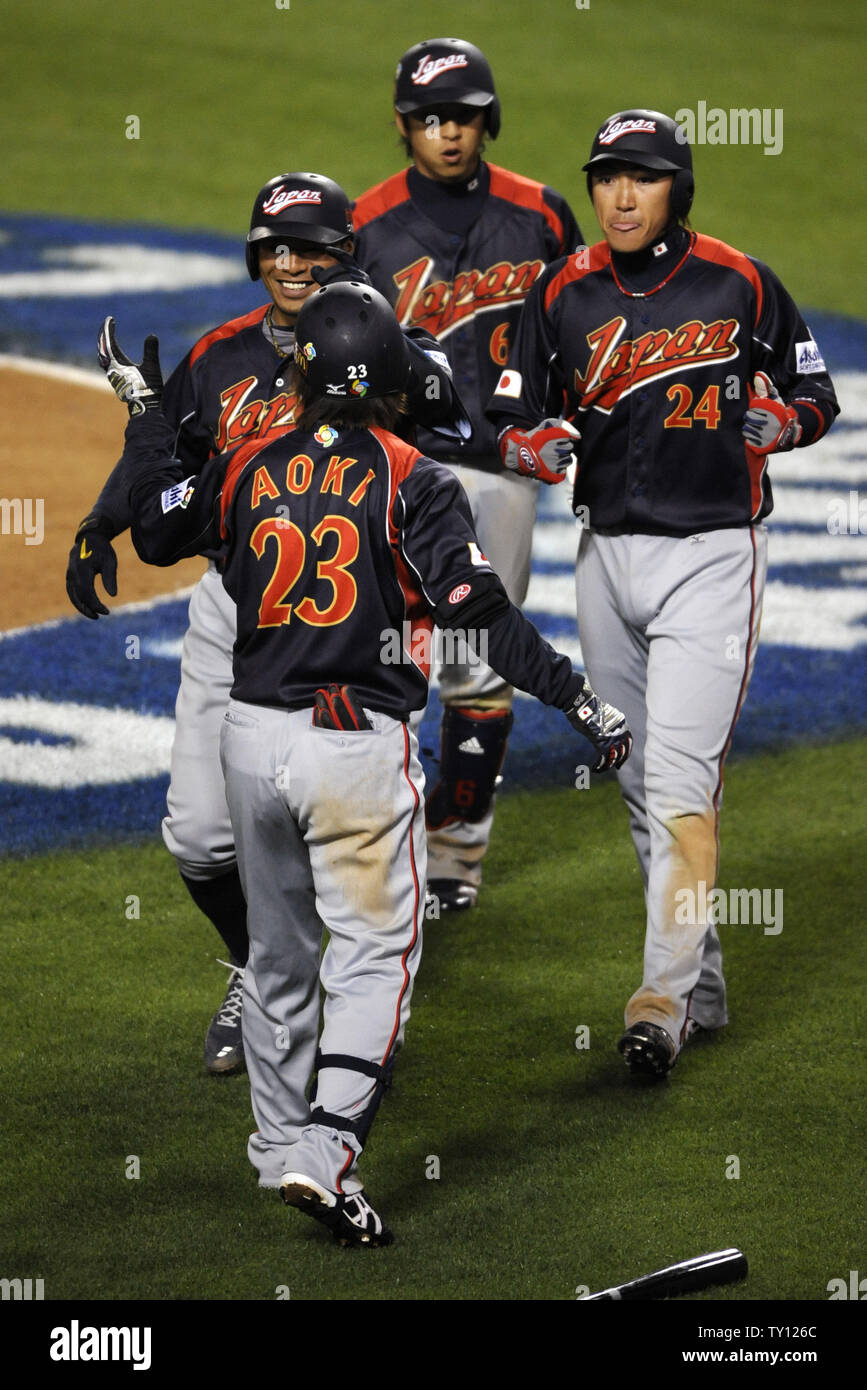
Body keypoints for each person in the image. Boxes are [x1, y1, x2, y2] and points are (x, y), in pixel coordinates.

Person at [101, 282, 632, 1244]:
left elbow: (154, 527)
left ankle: (274, 1148)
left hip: (250, 741)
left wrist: (147, 419)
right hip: (352, 753)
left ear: (296, 377)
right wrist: (576, 696)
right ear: (393, 380)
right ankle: (325, 1155)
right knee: (376, 957)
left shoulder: (244, 462)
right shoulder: (414, 477)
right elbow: (480, 615)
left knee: (277, 957)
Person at [65, 173, 463, 1075]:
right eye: (274, 248)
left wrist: (408, 357)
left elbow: (453, 418)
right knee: (200, 838)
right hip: (235, 609)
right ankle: (257, 966)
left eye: (309, 249)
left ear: (344, 254)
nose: (289, 264)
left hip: (360, 617)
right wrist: (102, 520)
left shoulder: (385, 339)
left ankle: (358, 1033)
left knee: (344, 828)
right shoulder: (219, 358)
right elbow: (163, 462)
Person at [488, 109, 839, 1078]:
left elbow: (817, 391)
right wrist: (526, 444)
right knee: (639, 781)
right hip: (604, 560)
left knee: (683, 786)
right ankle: (703, 985)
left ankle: (657, 1005)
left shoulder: (740, 280)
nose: (621, 195)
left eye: (641, 177)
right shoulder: (562, 289)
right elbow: (512, 411)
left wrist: (784, 422)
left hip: (711, 559)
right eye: (606, 177)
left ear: (676, 186)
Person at [353, 37, 584, 913]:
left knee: (480, 666)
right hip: (394, 472)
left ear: (489, 120)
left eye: (464, 118)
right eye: (430, 120)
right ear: (404, 127)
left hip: (497, 475)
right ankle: (376, 847)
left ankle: (453, 863)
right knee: (379, 661)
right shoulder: (364, 225)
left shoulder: (541, 215)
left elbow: (579, 328)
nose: (448, 135)